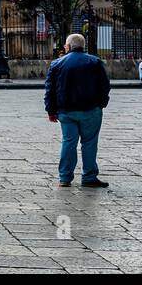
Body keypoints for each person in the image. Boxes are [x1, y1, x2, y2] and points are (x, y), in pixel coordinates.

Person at [45, 32, 111, 188]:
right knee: (89, 143)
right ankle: (89, 176)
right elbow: (105, 85)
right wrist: (101, 104)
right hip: (91, 109)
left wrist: (51, 110)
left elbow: (50, 89)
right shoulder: (95, 62)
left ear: (68, 47)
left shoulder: (57, 64)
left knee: (68, 142)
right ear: (83, 46)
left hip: (66, 110)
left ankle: (65, 178)